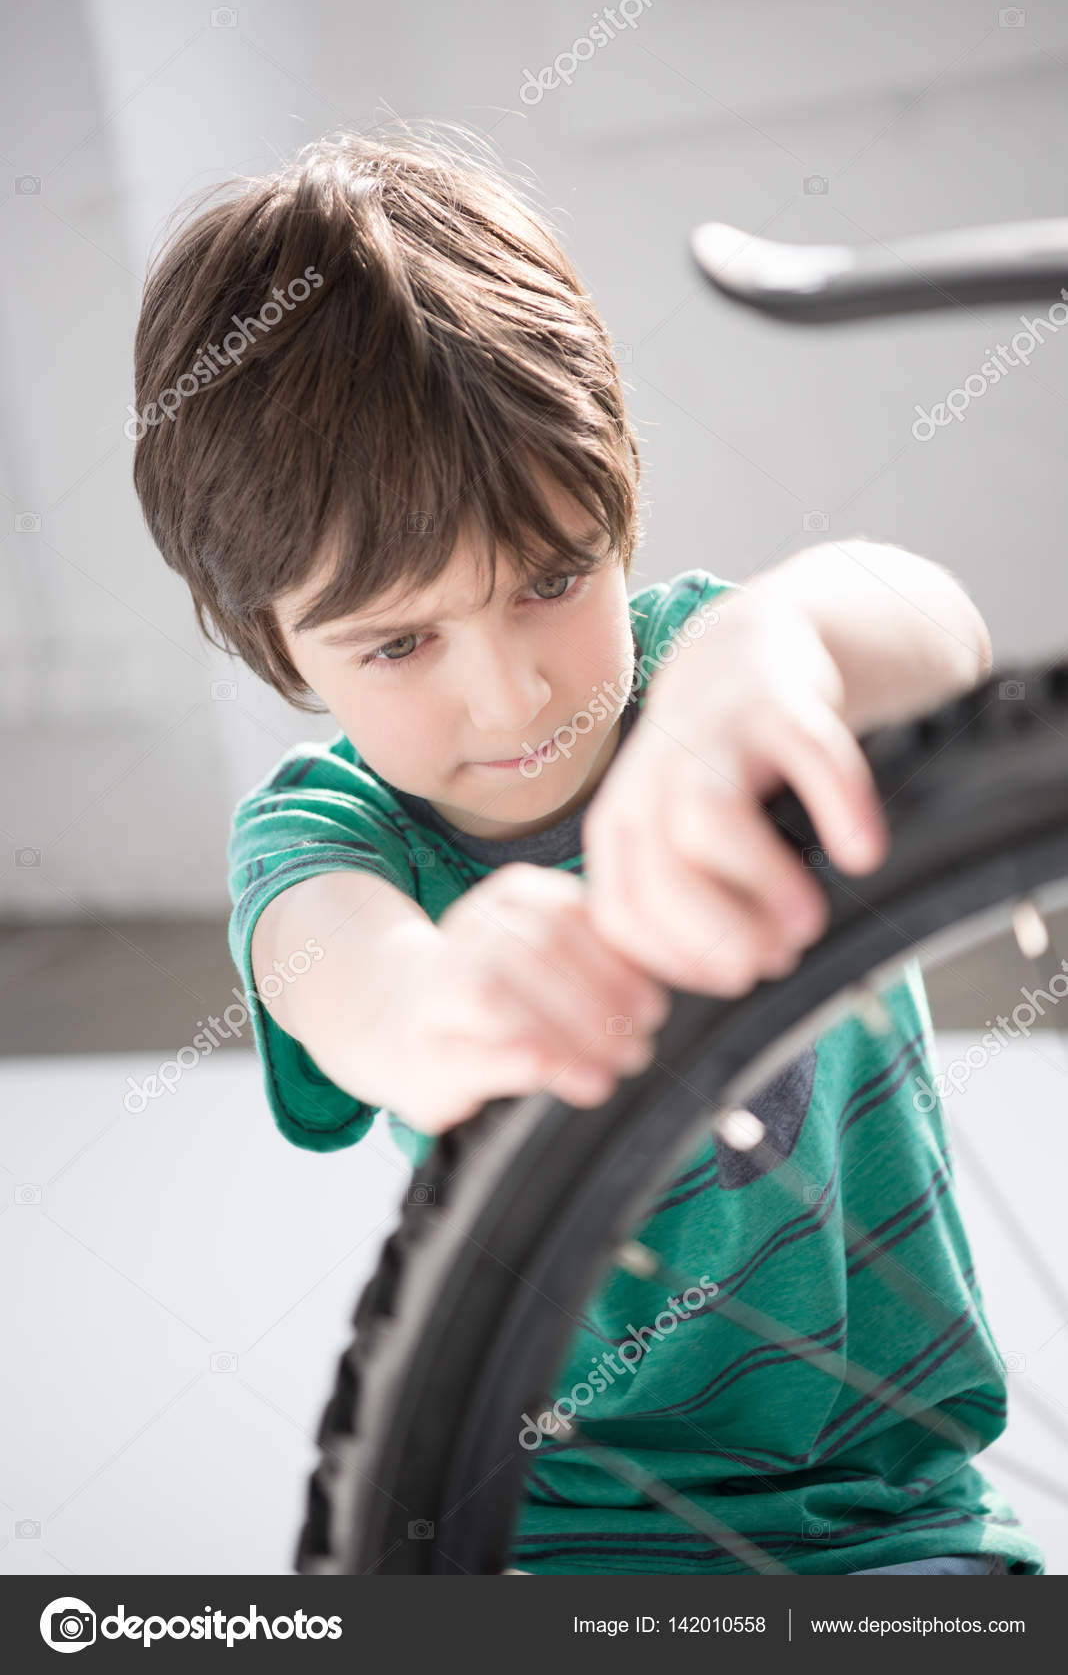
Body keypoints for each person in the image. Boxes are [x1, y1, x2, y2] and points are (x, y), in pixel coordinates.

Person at [130, 122, 1042, 1578]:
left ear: (620, 495)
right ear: (275, 643)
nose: (513, 692)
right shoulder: (332, 834)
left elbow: (931, 625)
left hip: (891, 1522)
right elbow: (345, 979)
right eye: (401, 640)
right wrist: (444, 1005)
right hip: (541, 1540)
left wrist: (767, 654)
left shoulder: (725, 684)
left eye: (554, 579)